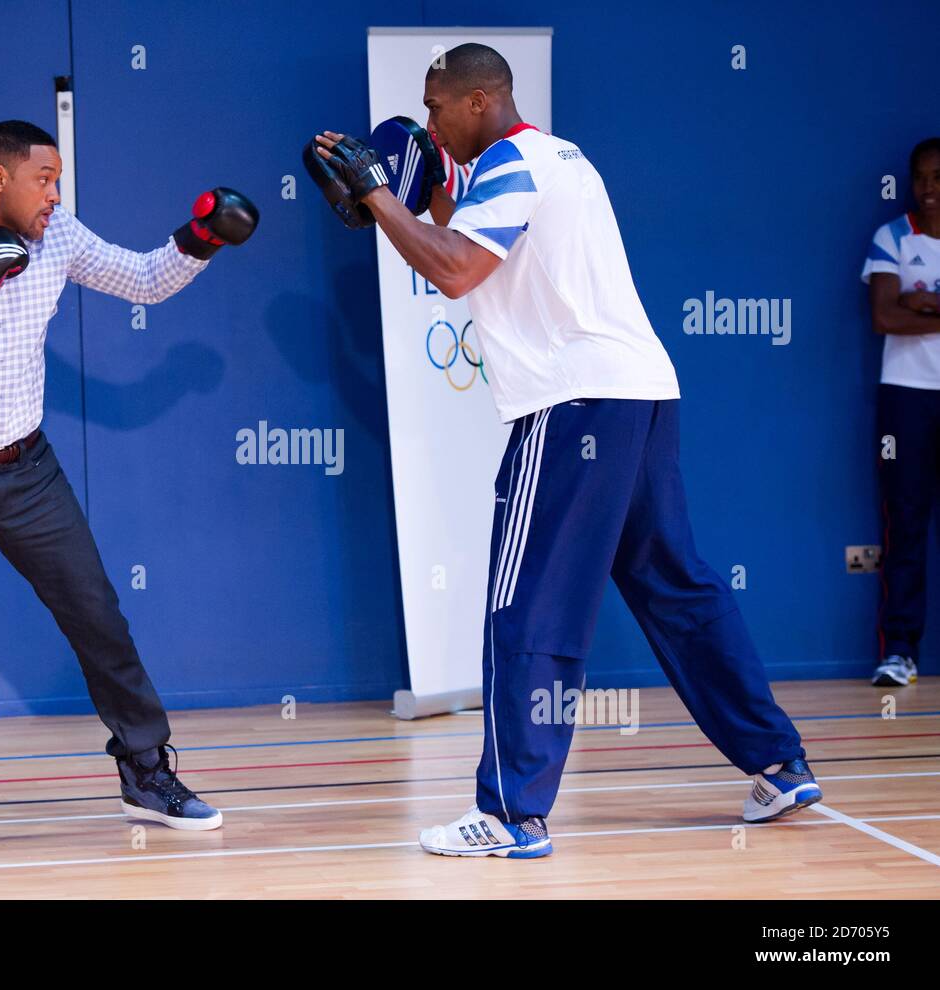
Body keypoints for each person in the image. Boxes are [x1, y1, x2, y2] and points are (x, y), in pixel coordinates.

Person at [313, 44, 820, 859]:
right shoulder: (553, 158)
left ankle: (513, 813)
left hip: (571, 405)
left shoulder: (512, 163)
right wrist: (406, 193)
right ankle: (777, 760)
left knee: (529, 600)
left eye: (437, 106)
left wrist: (375, 191)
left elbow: (452, 271)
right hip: (640, 396)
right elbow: (467, 243)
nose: (431, 120)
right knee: (675, 586)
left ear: (479, 101)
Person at [0, 120, 257, 862]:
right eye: (45, 180)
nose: (56, 195)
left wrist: (201, 238)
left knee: (98, 615)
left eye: (59, 182)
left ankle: (145, 773)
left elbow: (140, 277)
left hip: (26, 465)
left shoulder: (58, 235)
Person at [862, 137, 940, 688]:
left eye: (939, 177)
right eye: (921, 179)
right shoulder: (892, 236)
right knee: (905, 524)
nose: (929, 190)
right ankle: (901, 653)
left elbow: (905, 307)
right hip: (907, 395)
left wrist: (925, 302)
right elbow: (885, 317)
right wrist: (906, 305)